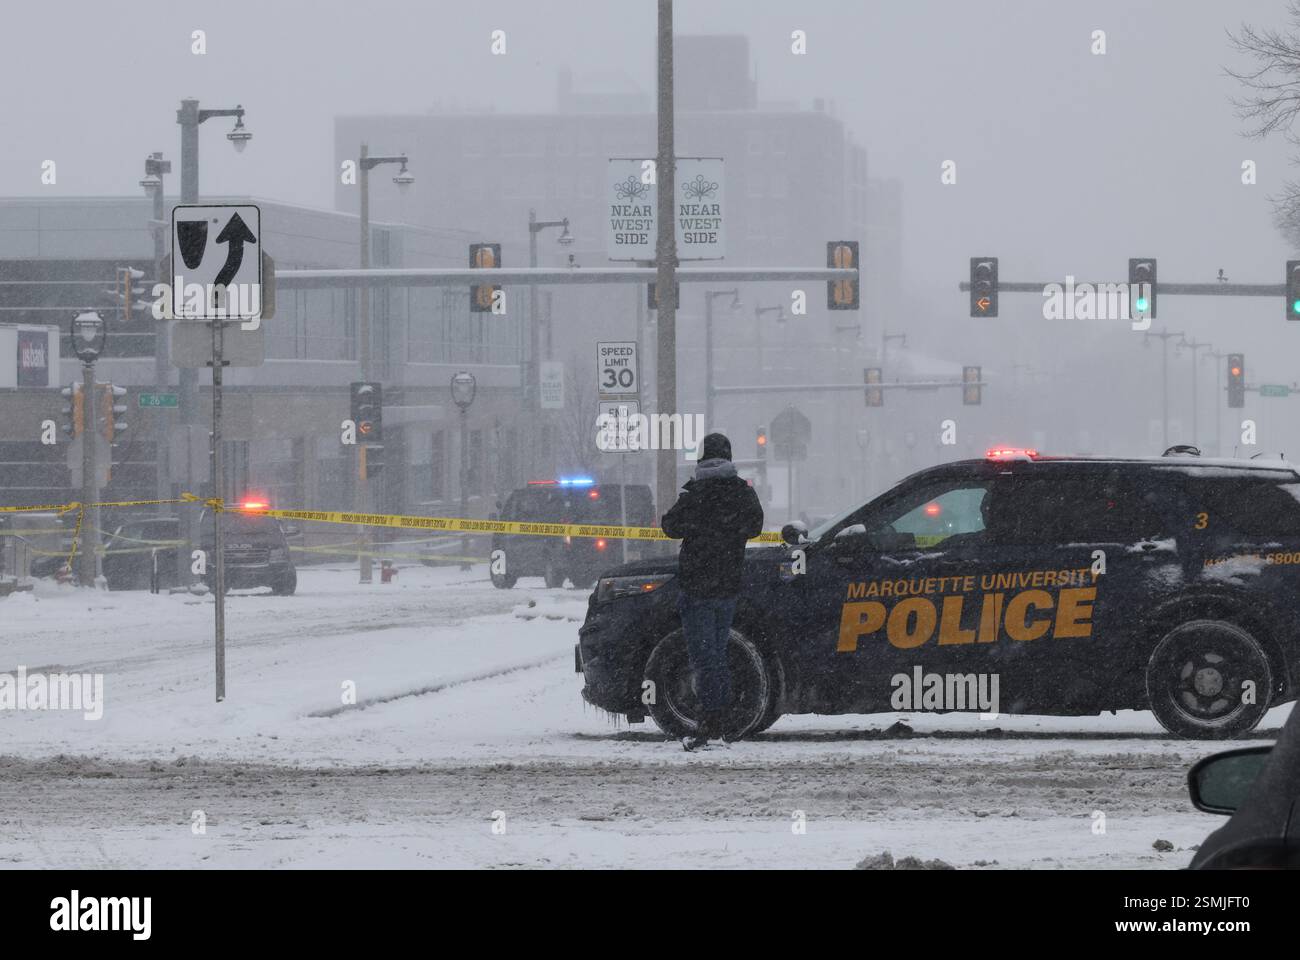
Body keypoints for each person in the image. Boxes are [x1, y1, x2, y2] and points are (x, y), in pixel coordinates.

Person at [661, 432, 765, 751]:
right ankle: (721, 720)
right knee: (717, 655)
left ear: (702, 458)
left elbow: (669, 526)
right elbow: (755, 526)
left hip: (697, 587)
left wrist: (699, 525)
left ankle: (710, 723)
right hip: (728, 586)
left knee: (704, 658)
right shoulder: (741, 493)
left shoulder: (696, 493)